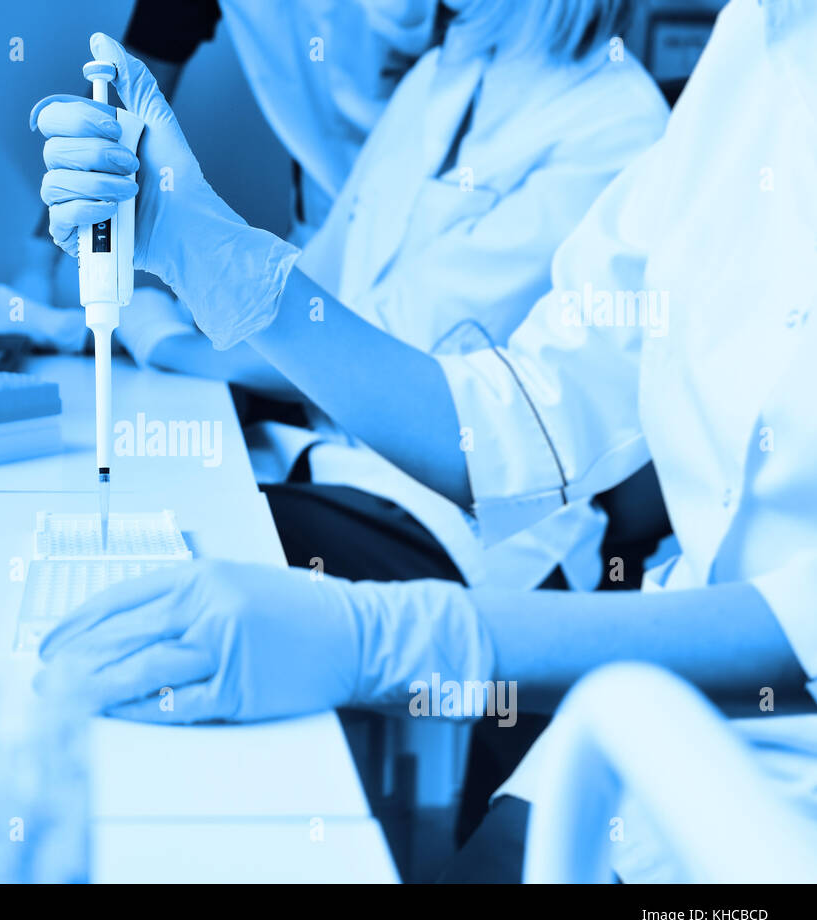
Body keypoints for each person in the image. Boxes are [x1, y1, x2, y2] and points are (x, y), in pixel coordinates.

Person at [32, 0, 817, 883]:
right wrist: (206, 251)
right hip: (650, 739)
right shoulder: (755, 44)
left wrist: (392, 639)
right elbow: (522, 414)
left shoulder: (617, 109)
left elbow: (802, 623)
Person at [102, 0, 667, 594]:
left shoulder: (617, 126)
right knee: (145, 513)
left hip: (475, 532)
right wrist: (107, 316)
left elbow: (373, 352)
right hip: (339, 463)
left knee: (170, 560)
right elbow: (318, 288)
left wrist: (158, 335)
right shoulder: (440, 76)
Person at [0, 0, 439, 352]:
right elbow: (124, 96)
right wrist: (36, 281)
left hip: (439, 207)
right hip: (334, 222)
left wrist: (143, 331)